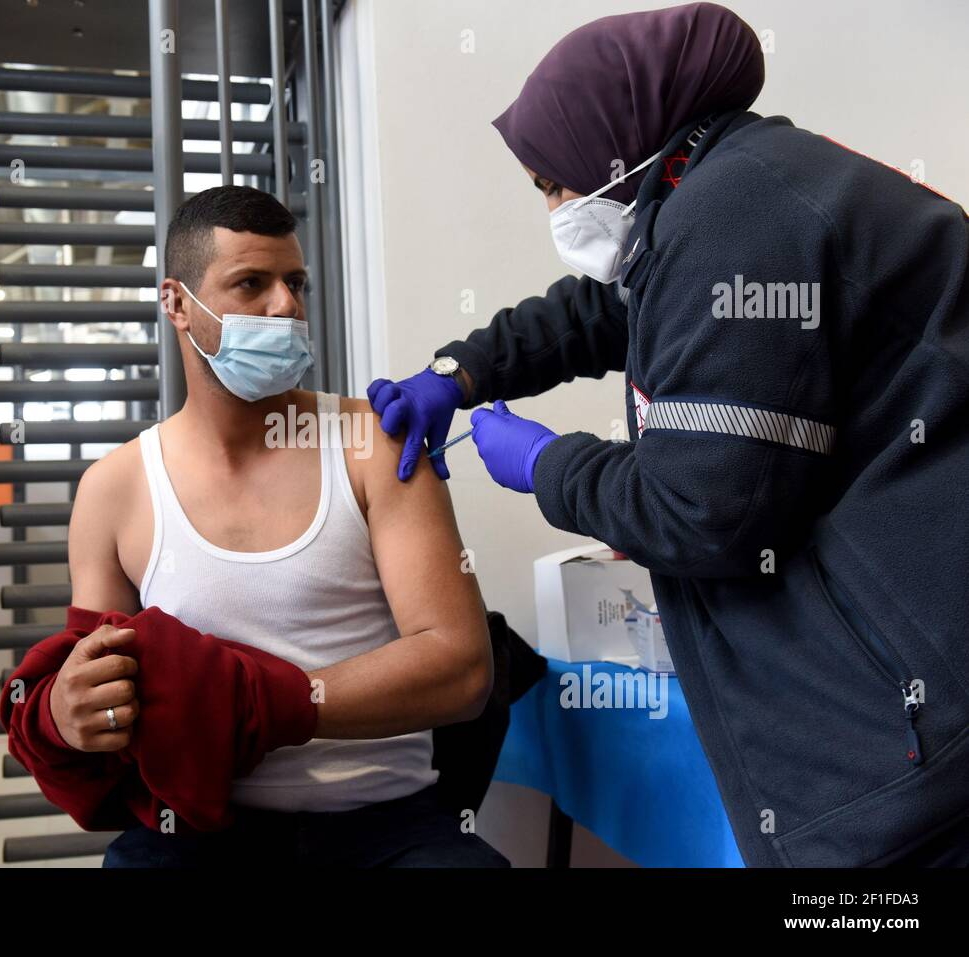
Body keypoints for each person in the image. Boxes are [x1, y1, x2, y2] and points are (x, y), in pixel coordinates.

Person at [367, 2, 969, 867]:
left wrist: (546, 464)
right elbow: (605, 308)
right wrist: (465, 370)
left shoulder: (739, 217)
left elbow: (701, 509)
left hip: (913, 751)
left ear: (614, 144)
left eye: (553, 183)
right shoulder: (721, 191)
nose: (556, 205)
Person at [62, 185, 509, 867]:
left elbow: (463, 668)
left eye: (294, 282)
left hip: (385, 822)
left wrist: (272, 703)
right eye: (251, 283)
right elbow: (102, 692)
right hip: (200, 832)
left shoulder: (372, 440)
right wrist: (72, 713)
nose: (286, 306)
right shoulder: (113, 490)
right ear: (177, 303)